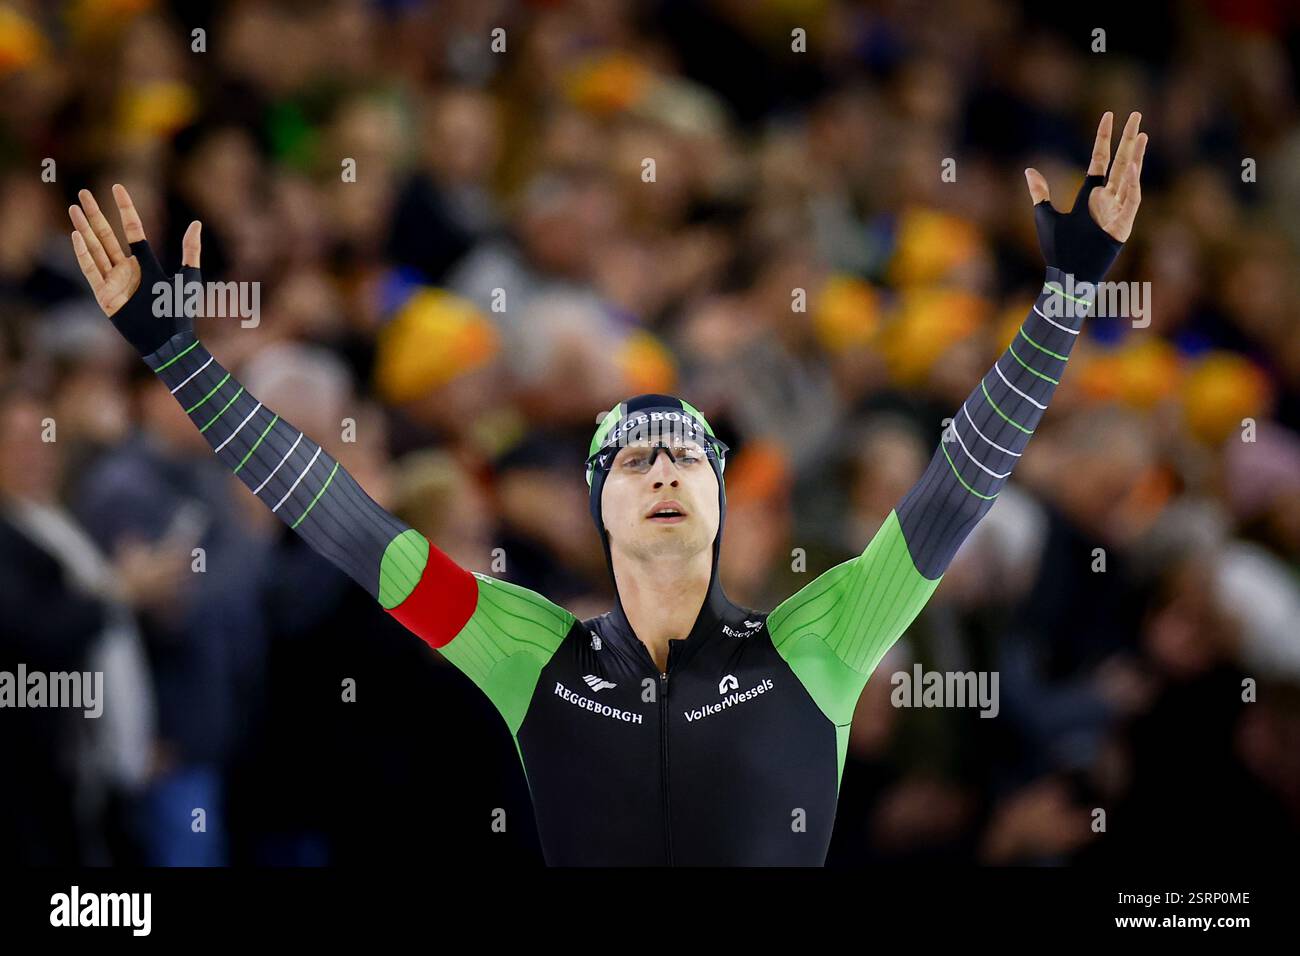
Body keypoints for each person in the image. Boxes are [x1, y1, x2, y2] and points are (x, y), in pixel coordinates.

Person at [68, 111, 1147, 866]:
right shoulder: (525, 644)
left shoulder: (822, 635)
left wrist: (1061, 302)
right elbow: (338, 515)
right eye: (635, 457)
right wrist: (178, 354)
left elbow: (959, 485)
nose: (668, 465)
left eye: (687, 455)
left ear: (725, 506)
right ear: (598, 508)